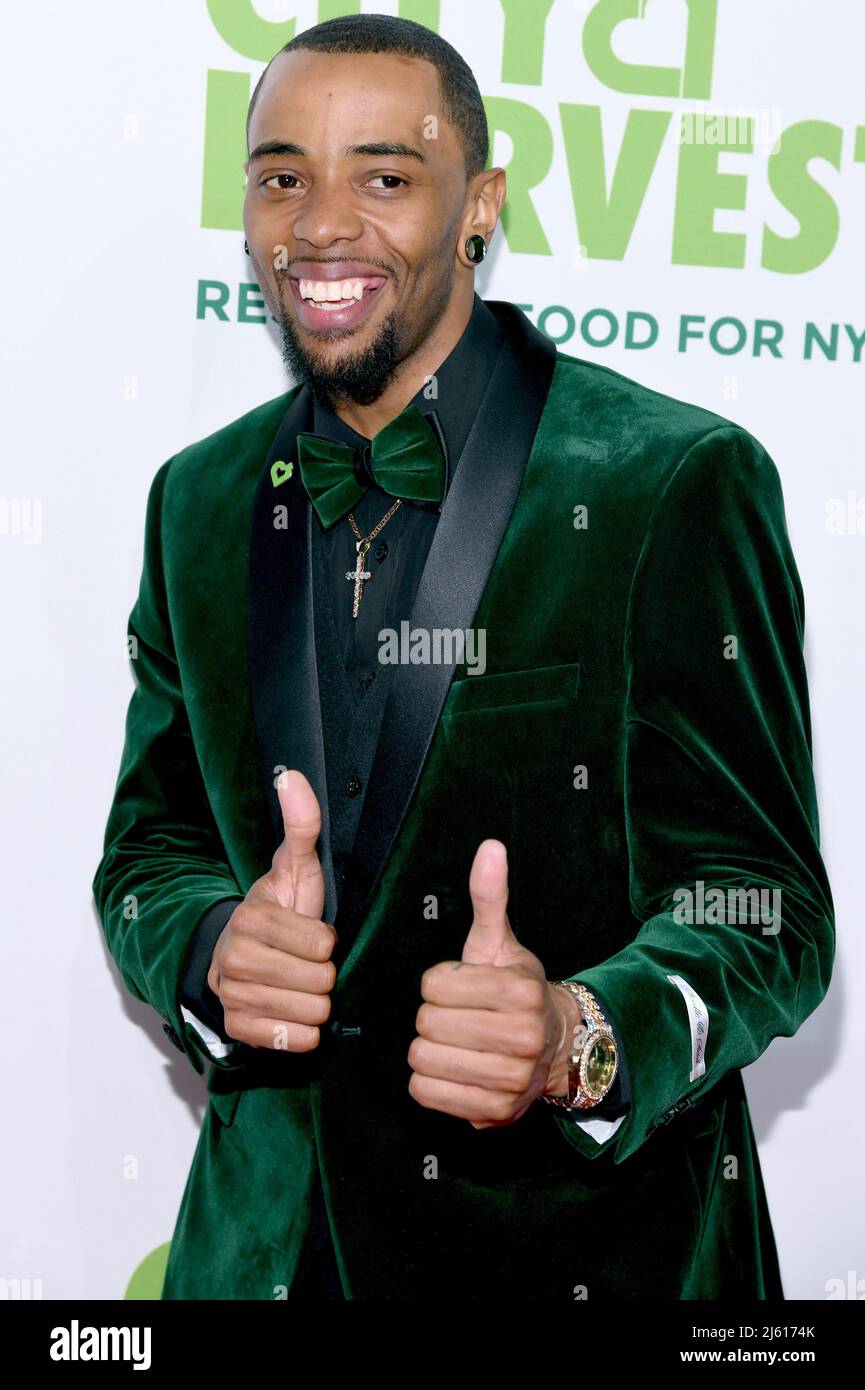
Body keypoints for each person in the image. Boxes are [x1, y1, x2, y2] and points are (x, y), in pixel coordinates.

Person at [92, 14, 834, 1301]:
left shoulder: (668, 480)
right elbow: (147, 853)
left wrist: (578, 1035)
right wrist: (213, 943)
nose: (322, 228)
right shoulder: (198, 498)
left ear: (477, 205)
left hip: (571, 1259)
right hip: (258, 1254)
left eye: (384, 177)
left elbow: (767, 906)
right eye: (283, 177)